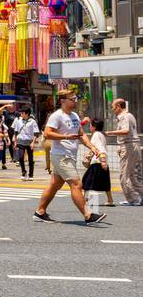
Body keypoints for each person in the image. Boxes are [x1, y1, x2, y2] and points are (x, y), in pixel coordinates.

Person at [33, 91, 107, 225]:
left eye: (75, 98)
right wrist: (65, 137)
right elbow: (47, 133)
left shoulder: (74, 116)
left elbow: (81, 134)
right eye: (72, 99)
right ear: (63, 101)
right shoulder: (57, 116)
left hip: (69, 156)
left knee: (55, 185)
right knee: (76, 184)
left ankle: (40, 212)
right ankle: (88, 215)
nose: (75, 101)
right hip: (61, 156)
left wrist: (92, 147)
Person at [105, 99, 142, 205]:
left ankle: (133, 199)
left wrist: (110, 132)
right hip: (131, 145)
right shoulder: (129, 115)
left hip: (129, 146)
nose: (112, 109)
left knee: (123, 175)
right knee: (131, 175)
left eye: (113, 107)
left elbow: (125, 131)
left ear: (118, 106)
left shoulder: (124, 116)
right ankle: (138, 196)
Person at [82, 118, 113, 214]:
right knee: (105, 182)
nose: (90, 127)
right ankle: (110, 200)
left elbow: (100, 148)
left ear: (94, 127)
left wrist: (102, 161)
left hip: (97, 162)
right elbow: (96, 148)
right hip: (102, 162)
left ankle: (86, 200)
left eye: (90, 125)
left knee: (87, 181)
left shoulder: (96, 135)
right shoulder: (101, 135)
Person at [12, 107, 39, 181]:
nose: (21, 114)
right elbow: (16, 132)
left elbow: (36, 133)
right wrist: (15, 142)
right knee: (20, 157)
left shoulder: (32, 121)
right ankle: (23, 171)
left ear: (27, 114)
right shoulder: (18, 121)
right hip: (20, 141)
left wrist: (33, 143)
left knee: (30, 159)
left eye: (22, 113)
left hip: (29, 142)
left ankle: (31, 174)